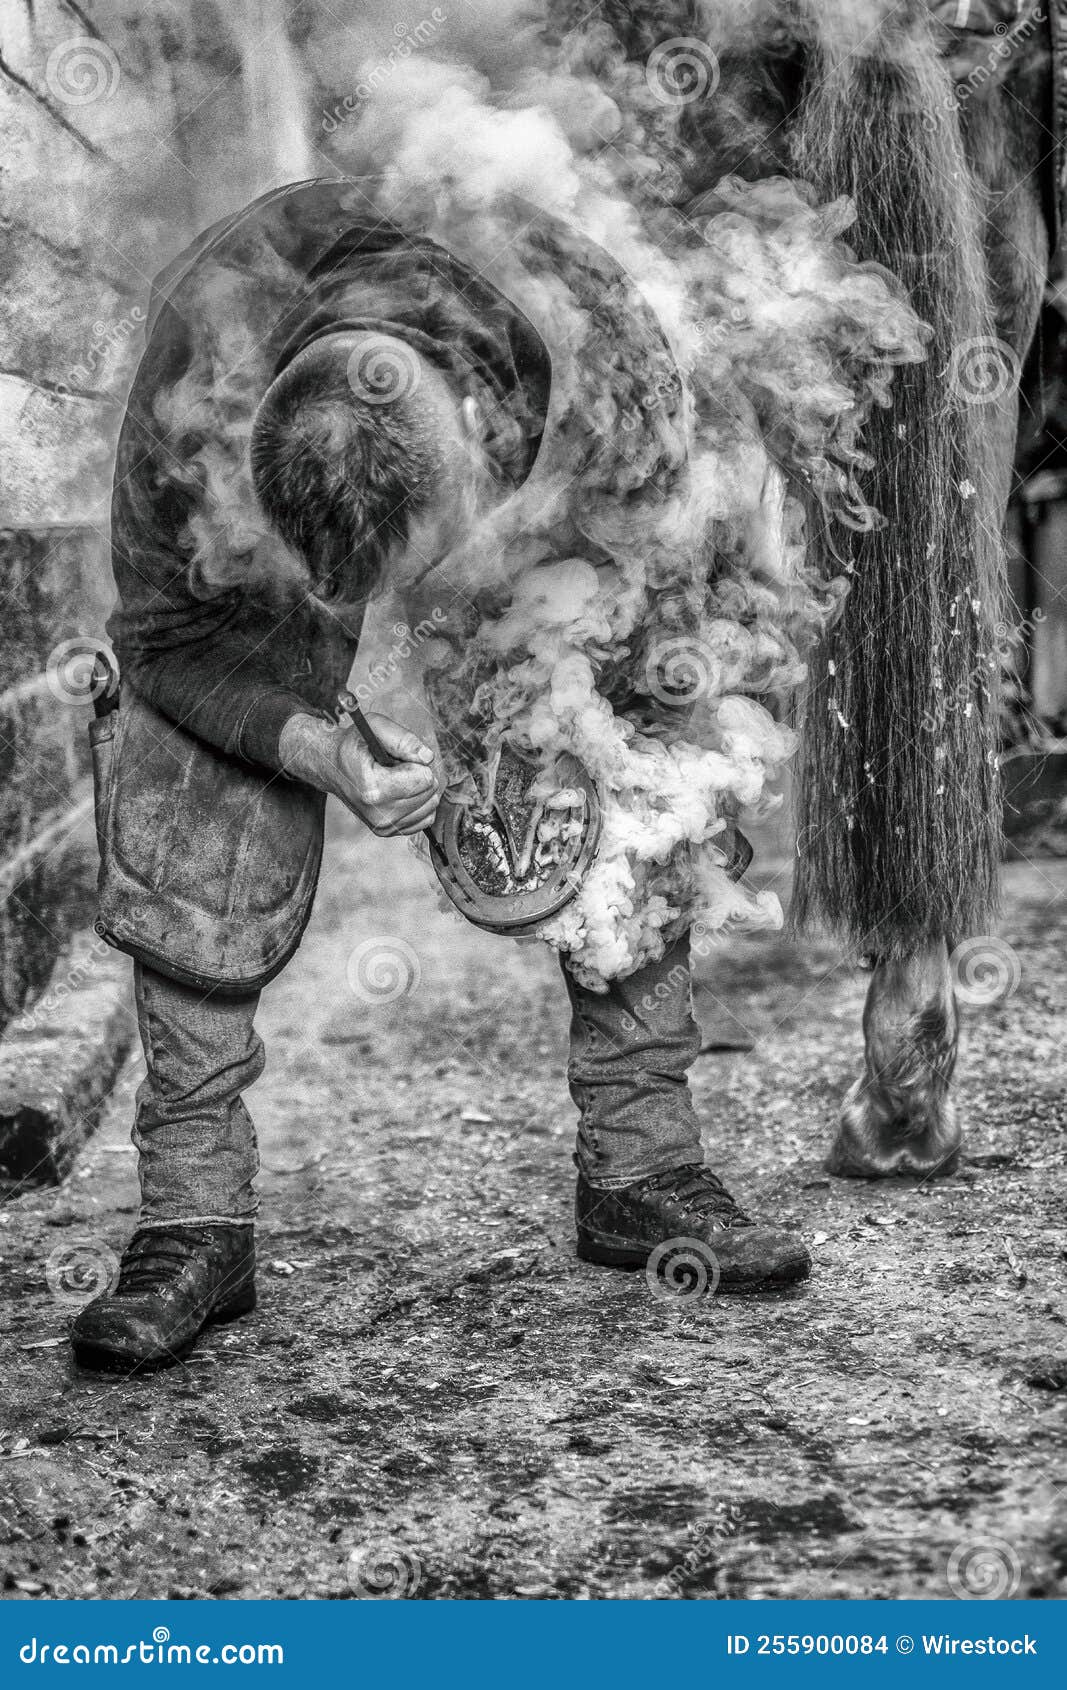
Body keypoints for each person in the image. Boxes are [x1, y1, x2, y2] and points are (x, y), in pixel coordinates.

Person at [72, 182, 810, 1373]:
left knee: (634, 721)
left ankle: (642, 1161)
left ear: (476, 430)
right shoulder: (189, 373)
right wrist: (313, 743)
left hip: (546, 517)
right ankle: (191, 1215)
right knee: (186, 772)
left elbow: (672, 568)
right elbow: (163, 636)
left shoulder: (589, 335)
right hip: (287, 549)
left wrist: (572, 691)